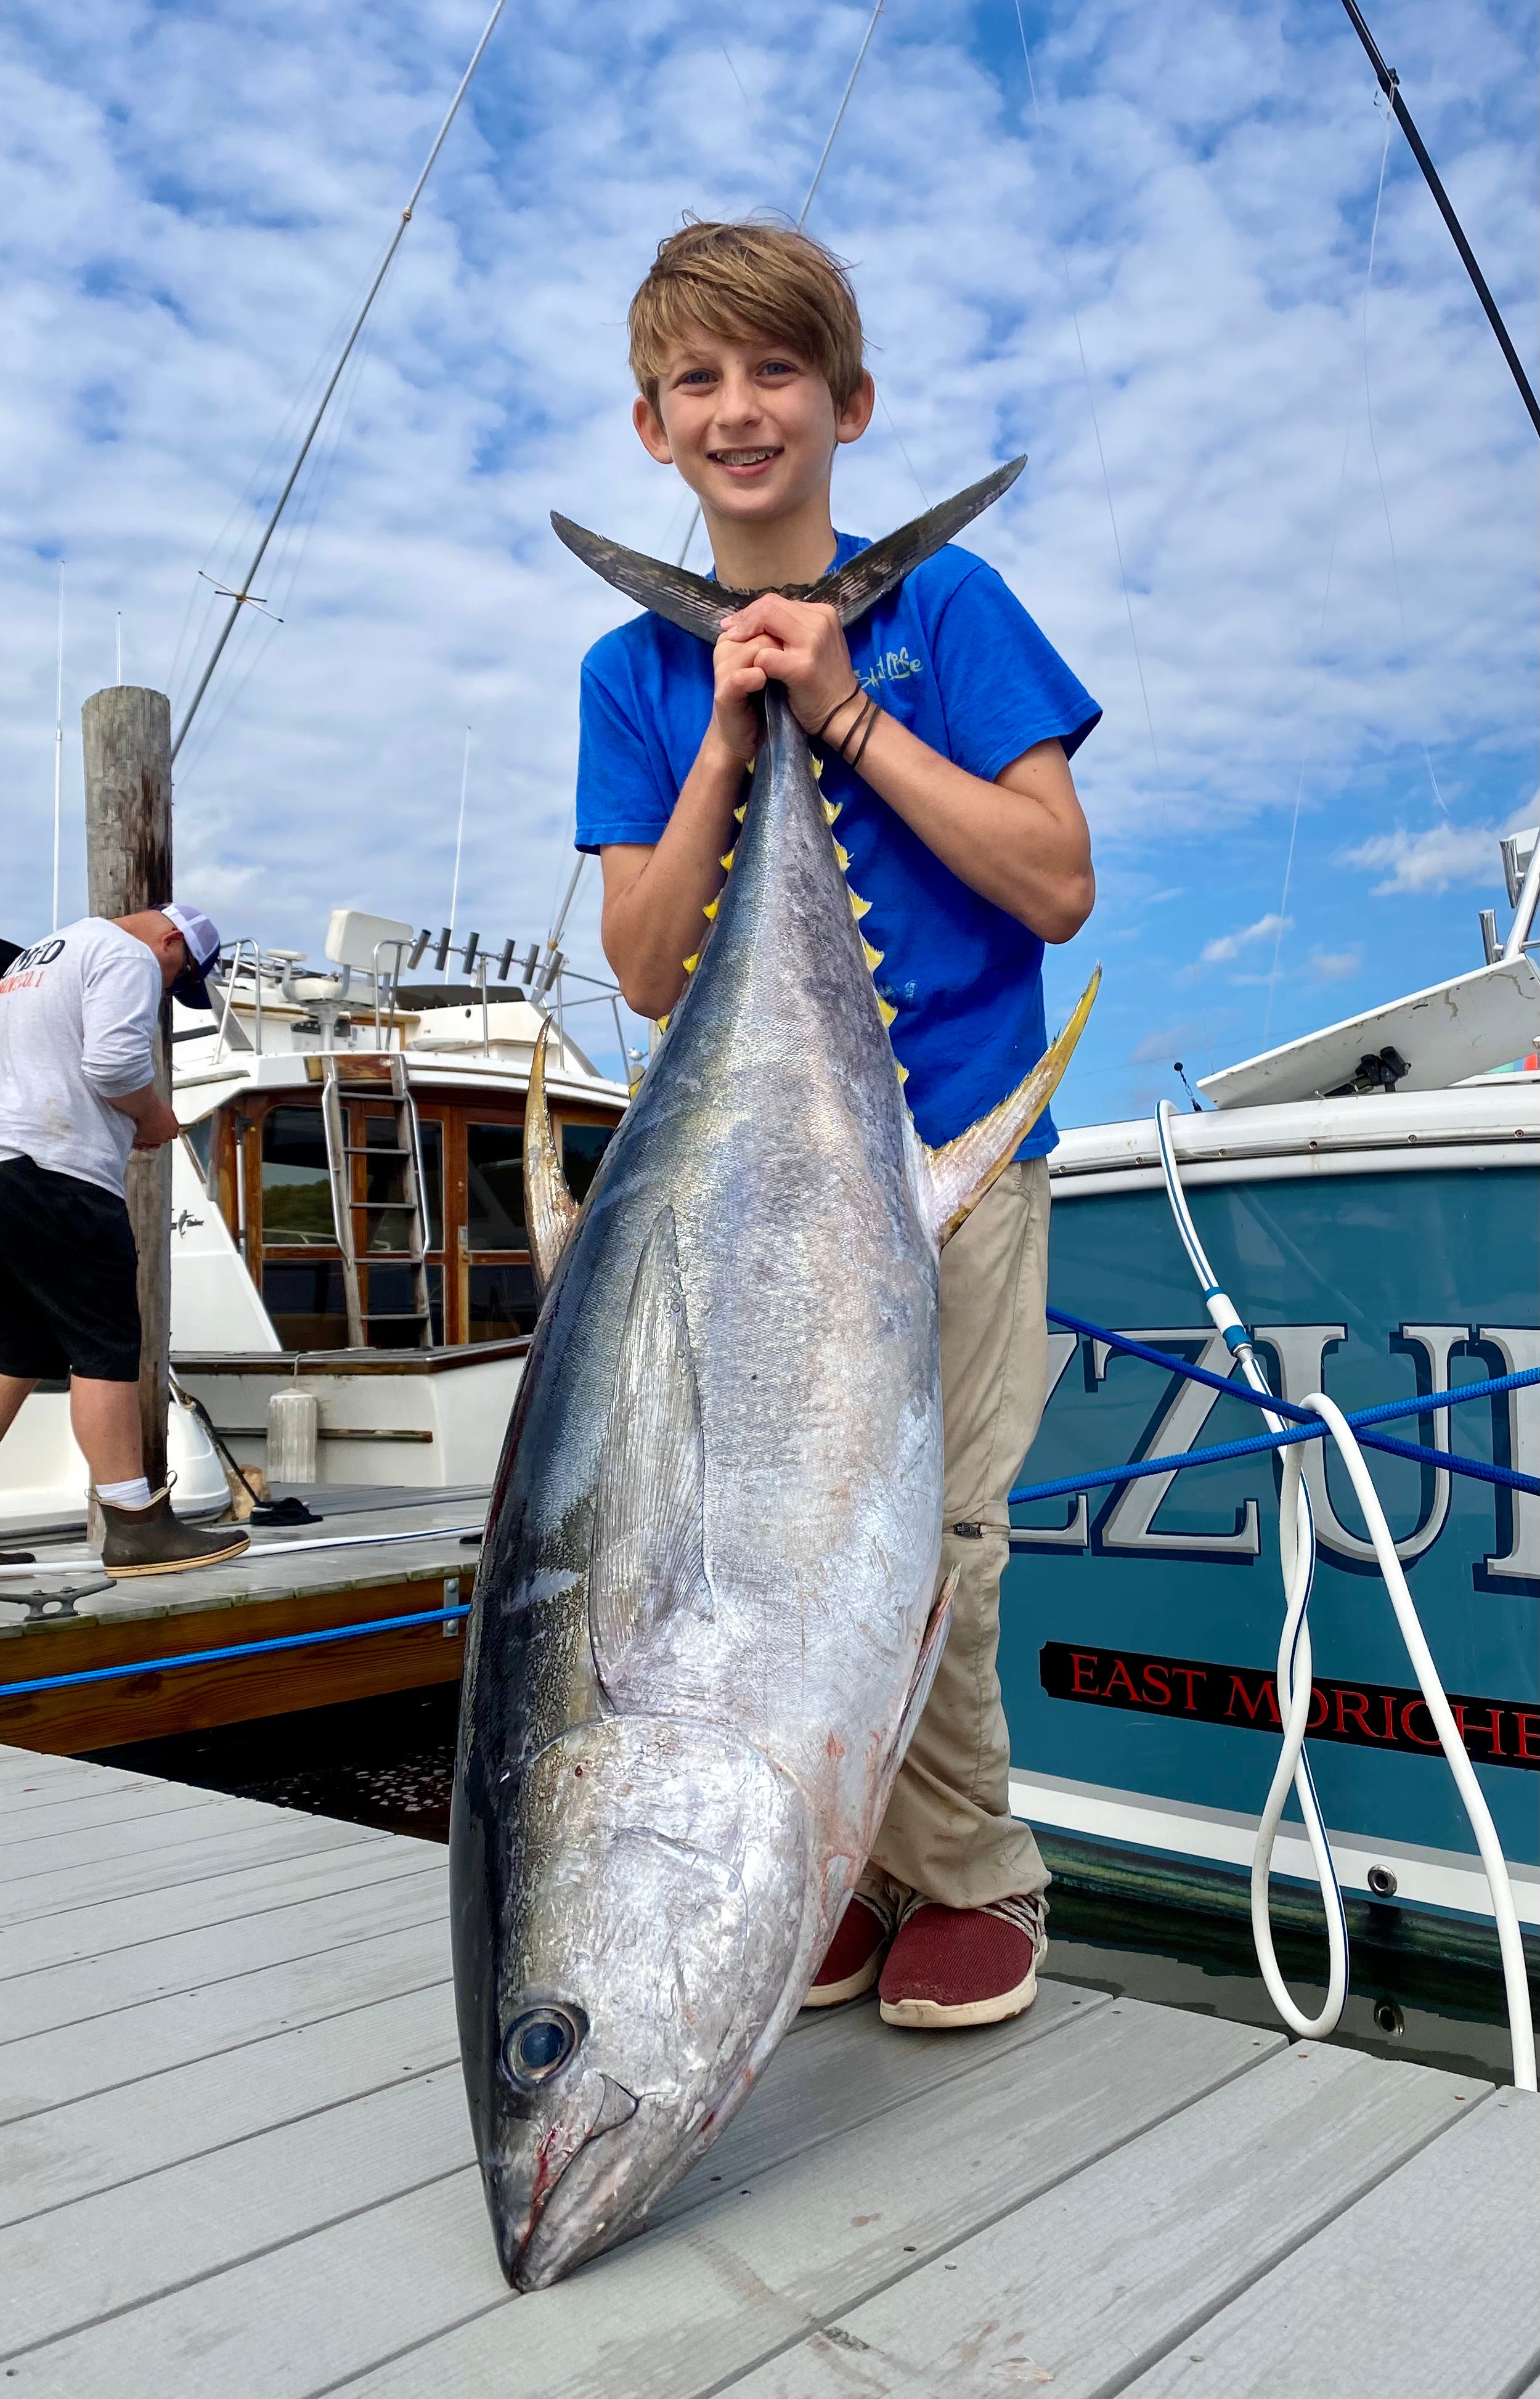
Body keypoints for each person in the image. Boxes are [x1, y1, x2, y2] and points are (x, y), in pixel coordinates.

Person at [577, 219, 1098, 2031]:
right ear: (650, 427)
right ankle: (840, 1869)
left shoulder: (950, 611)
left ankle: (969, 1873)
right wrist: (729, 730)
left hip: (948, 1162)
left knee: (933, 1536)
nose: (737, 410)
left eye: (773, 373)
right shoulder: (624, 676)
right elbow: (644, 971)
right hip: (743, 1198)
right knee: (777, 1541)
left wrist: (840, 705)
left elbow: (1052, 882)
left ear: (847, 405)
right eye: (696, 382)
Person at [0, 903, 251, 1576]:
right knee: (106, 1346)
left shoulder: (37, 957)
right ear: (171, 941)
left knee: (18, 1351)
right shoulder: (128, 955)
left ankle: (132, 1518)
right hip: (63, 1174)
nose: (169, 985)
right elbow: (113, 1066)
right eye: (180, 974)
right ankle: (136, 1526)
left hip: (7, 1167)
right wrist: (153, 1113)